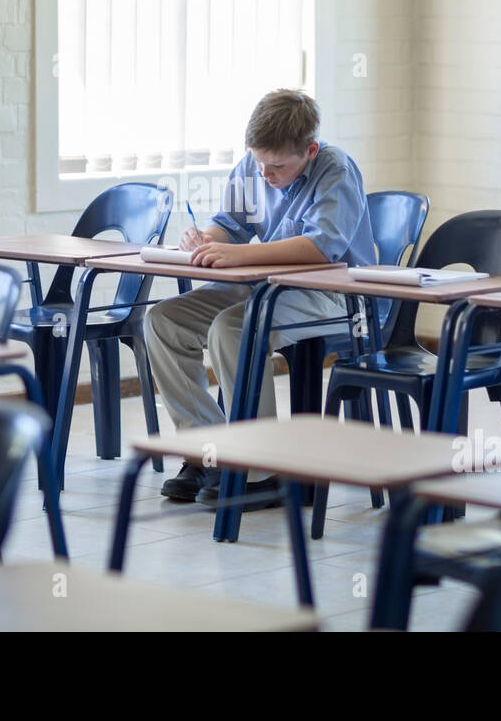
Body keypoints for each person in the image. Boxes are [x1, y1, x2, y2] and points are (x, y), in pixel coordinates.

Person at [143, 88, 376, 508]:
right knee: (163, 320)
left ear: (310, 150)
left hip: (338, 296)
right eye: (258, 162)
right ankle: (209, 453)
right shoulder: (255, 166)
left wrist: (237, 253)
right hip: (269, 287)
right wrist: (202, 240)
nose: (265, 174)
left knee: (235, 328)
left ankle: (261, 469)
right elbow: (226, 225)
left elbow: (321, 248)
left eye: (277, 166)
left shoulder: (335, 169)